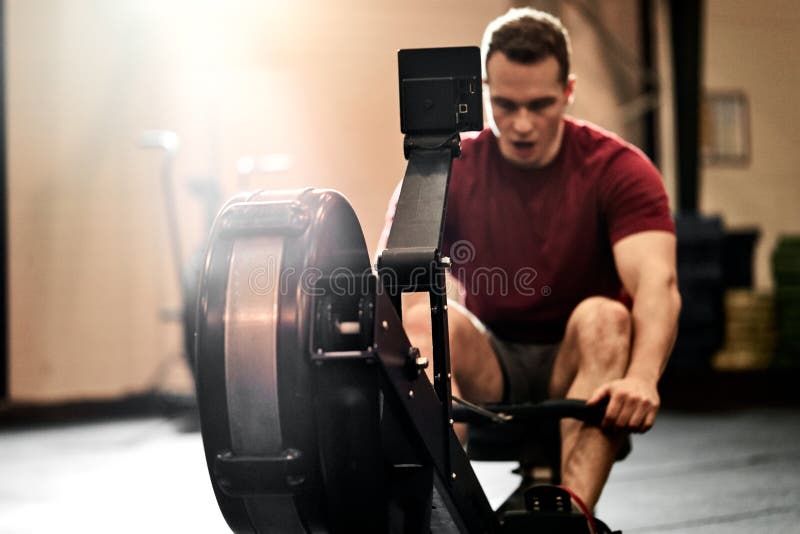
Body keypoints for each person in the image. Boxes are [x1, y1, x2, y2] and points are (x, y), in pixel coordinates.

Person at [378, 7, 681, 513]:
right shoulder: (449, 170)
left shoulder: (618, 168)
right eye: (505, 104)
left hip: (580, 361)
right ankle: (441, 515)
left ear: (568, 91)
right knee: (424, 322)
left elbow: (657, 282)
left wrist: (644, 377)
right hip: (490, 363)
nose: (521, 124)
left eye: (540, 104)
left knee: (606, 316)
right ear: (482, 91)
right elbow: (395, 284)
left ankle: (573, 517)